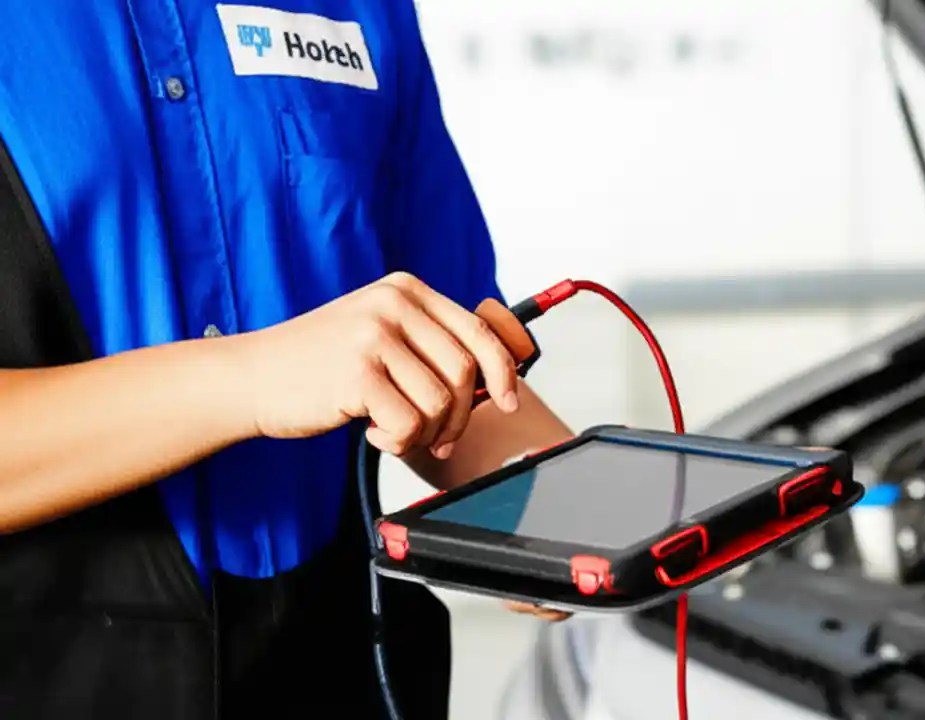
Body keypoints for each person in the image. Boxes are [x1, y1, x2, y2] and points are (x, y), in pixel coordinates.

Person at [0, 2, 570, 718]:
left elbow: (452, 373)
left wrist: (590, 528)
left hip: (341, 671)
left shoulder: (365, 13)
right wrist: (253, 380)